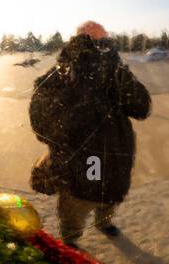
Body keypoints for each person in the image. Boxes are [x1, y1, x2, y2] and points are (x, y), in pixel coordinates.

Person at [29, 21, 151, 245]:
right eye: (91, 37)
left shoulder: (116, 71)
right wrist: (64, 143)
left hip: (116, 156)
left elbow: (142, 107)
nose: (97, 43)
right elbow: (40, 117)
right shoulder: (63, 72)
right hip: (83, 161)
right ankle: (71, 240)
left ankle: (103, 223)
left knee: (109, 196)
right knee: (78, 202)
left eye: (101, 38)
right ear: (78, 41)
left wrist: (121, 76)